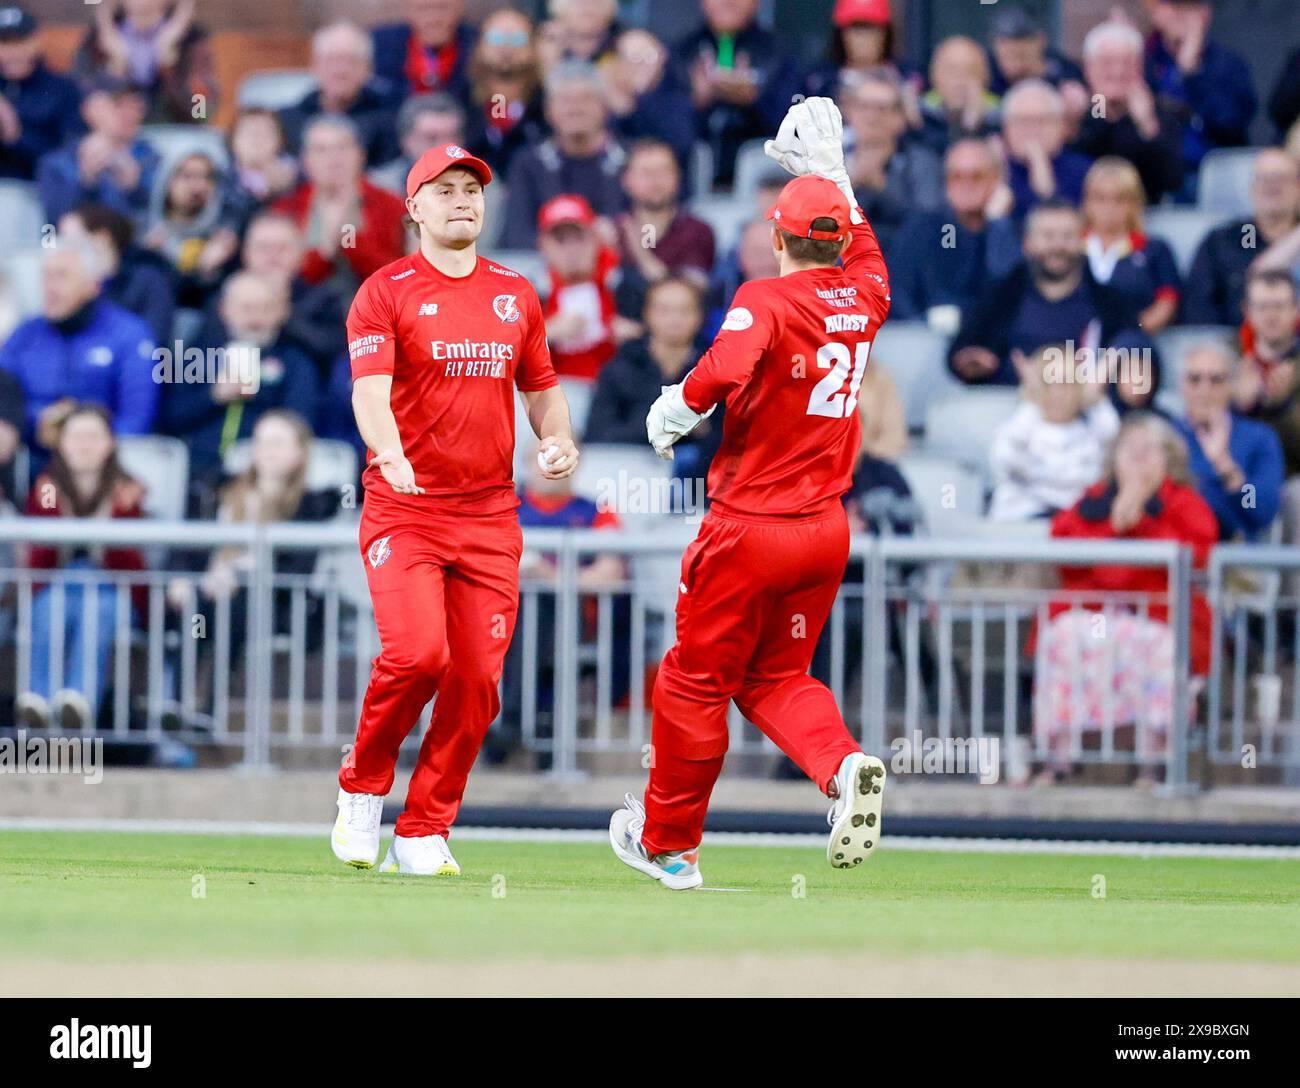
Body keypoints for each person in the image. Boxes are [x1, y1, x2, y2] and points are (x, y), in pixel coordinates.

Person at [609, 98, 890, 890]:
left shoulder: (766, 299)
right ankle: (841, 769)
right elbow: (865, 257)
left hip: (751, 526)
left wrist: (675, 406)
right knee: (776, 677)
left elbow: (726, 371)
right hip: (826, 529)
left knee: (692, 681)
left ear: (776, 238)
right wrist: (837, 178)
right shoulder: (864, 299)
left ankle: (669, 843)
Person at [332, 142, 578, 877]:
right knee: (417, 656)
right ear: (413, 210)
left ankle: (424, 830)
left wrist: (558, 439)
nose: (461, 200)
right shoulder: (384, 290)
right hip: (405, 508)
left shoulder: (516, 290)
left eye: (471, 188)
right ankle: (362, 788)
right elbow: (369, 390)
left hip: (490, 515)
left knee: (476, 682)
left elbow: (539, 386)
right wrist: (390, 451)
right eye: (442, 190)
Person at [1036, 412, 1216, 784]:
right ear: (1112, 459)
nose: (1137, 459)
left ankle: (1155, 763)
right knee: (1063, 634)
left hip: (1158, 617)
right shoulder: (1093, 501)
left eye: (1149, 451)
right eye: (1128, 450)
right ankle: (1058, 760)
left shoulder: (1184, 502)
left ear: (1169, 460)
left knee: (1159, 645)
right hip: (1094, 613)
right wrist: (1112, 528)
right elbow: (1064, 553)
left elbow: (1195, 554)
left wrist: (1140, 522)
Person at [18, 404, 145, 730]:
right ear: (61, 443)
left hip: (111, 590)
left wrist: (117, 510)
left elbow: (128, 562)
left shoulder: (129, 489)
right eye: (76, 436)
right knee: (49, 606)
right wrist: (57, 508)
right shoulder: (47, 487)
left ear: (110, 443)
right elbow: (41, 554)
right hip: (58, 585)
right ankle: (39, 700)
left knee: (97, 609)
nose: (84, 445)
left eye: (93, 436)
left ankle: (79, 701)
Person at [949, 200, 1140, 386]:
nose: (1057, 246)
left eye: (1067, 236)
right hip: (1008, 403)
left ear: (1083, 241)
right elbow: (962, 351)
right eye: (1048, 236)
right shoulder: (999, 297)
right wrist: (974, 365)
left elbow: (1137, 354)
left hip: (1086, 406)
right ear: (1027, 243)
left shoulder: (1109, 302)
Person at [160, 271, 320, 484]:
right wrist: (213, 396)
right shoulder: (195, 357)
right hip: (195, 475)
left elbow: (301, 423)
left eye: (266, 308)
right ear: (224, 310)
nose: (255, 318)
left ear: (281, 312)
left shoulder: (296, 362)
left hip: (263, 477)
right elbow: (169, 418)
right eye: (246, 308)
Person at [0, 241, 158, 445]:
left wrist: (80, 436)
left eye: (62, 276)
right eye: (46, 277)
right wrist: (39, 418)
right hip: (33, 453)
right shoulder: (25, 333)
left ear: (93, 285)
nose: (50, 288)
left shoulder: (129, 334)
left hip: (107, 459)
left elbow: (137, 419)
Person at [586, 276, 721, 482]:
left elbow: (736, 437)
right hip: (630, 473)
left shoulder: (717, 369)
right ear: (647, 314)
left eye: (685, 310)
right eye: (664, 310)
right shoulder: (620, 366)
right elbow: (598, 432)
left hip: (701, 477)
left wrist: (704, 431)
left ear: (700, 316)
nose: (674, 319)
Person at [888, 137, 1019, 327]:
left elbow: (1004, 291)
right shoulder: (923, 228)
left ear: (996, 180)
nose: (966, 184)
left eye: (977, 176)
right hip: (925, 340)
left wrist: (997, 225)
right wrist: (922, 326)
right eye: (956, 176)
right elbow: (898, 291)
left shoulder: (1006, 229)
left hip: (986, 344)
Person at [273, 116, 407, 294]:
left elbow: (399, 276)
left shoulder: (390, 205)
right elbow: (287, 278)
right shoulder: (286, 209)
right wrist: (326, 249)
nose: (333, 158)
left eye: (342, 148)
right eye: (321, 150)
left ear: (360, 154)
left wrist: (347, 234)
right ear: (306, 160)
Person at [500, 59, 626, 249]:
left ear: (604, 108)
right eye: (565, 100)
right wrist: (571, 245)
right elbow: (515, 235)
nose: (575, 109)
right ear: (548, 110)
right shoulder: (528, 163)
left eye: (586, 99)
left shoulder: (631, 160)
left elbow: (651, 232)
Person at [988, 344, 1120, 522]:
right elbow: (1006, 459)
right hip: (1023, 526)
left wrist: (1095, 402)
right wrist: (1032, 400)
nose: (1058, 393)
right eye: (1049, 383)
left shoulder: (1094, 433)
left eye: (1066, 383)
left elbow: (1114, 445)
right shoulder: (1020, 427)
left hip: (1077, 528)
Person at [678, 0, 802, 187]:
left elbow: (796, 129)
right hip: (689, 187)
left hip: (764, 189)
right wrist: (696, 101)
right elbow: (661, 127)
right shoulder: (682, 53)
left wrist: (753, 100)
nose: (728, 2)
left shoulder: (778, 54)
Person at [1174, 341, 1282, 541]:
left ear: (1231, 386)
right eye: (1194, 379)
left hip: (1233, 557)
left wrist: (1226, 467)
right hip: (1175, 552)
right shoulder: (1165, 435)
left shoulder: (1259, 438)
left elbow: (1261, 510)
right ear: (1181, 386)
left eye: (1216, 380)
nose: (1204, 389)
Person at [1069, 21, 1184, 205]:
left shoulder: (1161, 112)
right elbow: (1085, 155)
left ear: (1139, 68)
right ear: (1088, 67)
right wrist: (1101, 107)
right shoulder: (1076, 110)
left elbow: (1171, 179)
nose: (1118, 71)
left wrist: (1146, 123)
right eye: (1107, 63)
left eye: (1126, 62)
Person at [1183, 149, 1300, 327]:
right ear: (1252, 189)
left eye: (1281, 178)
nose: (1272, 186)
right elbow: (1199, 306)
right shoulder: (1223, 240)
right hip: (1232, 345)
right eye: (1264, 178)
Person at [1143, 0, 1255, 177]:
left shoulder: (1228, 64)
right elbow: (1097, 114)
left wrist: (1192, 75)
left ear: (1205, 13)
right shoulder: (1142, 61)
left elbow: (1230, 122)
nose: (1179, 14)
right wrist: (1102, 103)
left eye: (1189, 7)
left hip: (1215, 170)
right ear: (1155, 12)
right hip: (1155, 175)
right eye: (1172, 6)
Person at [843, 68, 943, 253]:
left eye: (881, 109)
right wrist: (851, 186)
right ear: (850, 112)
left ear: (900, 119)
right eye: (863, 106)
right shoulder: (830, 158)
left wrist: (882, 189)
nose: (871, 117)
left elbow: (930, 227)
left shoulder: (922, 163)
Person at [613, 138, 715, 320]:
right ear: (626, 179)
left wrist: (640, 252)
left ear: (678, 176)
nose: (656, 180)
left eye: (664, 171)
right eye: (646, 173)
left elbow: (688, 292)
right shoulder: (611, 230)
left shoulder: (697, 231)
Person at [74, 0, 216, 126]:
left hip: (176, 140)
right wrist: (116, 69)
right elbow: (79, 102)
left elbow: (202, 113)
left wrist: (168, 66)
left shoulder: (192, 41)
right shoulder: (96, 42)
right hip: (118, 140)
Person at [36, 77, 157, 224]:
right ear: (88, 110)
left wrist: (135, 188)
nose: (130, 114)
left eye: (136, 106)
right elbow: (53, 225)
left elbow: (166, 216)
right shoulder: (56, 165)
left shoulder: (151, 159)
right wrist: (86, 183)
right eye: (118, 104)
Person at [1081, 157, 1181, 335]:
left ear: (1134, 203)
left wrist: (1133, 331)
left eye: (1119, 199)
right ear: (1087, 201)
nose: (1109, 207)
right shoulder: (1070, 248)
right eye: (1100, 198)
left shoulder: (1155, 250)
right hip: (1071, 346)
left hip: (1132, 347)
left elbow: (1167, 304)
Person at [278, 22, 396, 167]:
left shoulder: (390, 122)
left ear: (368, 68)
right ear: (315, 65)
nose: (340, 70)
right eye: (332, 60)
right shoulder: (286, 122)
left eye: (351, 61)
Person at [58, 203, 176, 346]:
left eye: (70, 243)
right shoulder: (67, 286)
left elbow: (153, 344)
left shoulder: (150, 280)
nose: (61, 252)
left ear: (101, 239)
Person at [536, 194, 625, 381]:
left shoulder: (623, 285)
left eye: (579, 238)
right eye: (561, 241)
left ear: (595, 240)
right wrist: (545, 334)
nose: (571, 250)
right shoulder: (529, 294)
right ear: (543, 246)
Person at [140, 148, 238, 306]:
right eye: (187, 176)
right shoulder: (143, 226)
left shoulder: (224, 235)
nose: (198, 185)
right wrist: (147, 255)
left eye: (207, 177)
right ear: (166, 179)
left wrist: (208, 271)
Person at [0, 5, 84, 181]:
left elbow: (70, 157)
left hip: (36, 189)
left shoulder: (62, 88)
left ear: (36, 41)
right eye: (5, 43)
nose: (13, 51)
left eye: (20, 41)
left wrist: (14, 134)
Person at [462, 6, 545, 177]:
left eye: (517, 39)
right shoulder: (461, 102)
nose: (506, 47)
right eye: (496, 38)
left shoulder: (548, 106)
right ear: (480, 46)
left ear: (533, 47)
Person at [601, 29, 695, 171]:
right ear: (617, 63)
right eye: (633, 57)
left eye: (650, 56)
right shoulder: (603, 99)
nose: (642, 64)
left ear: (662, 59)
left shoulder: (676, 97)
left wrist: (640, 99)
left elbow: (680, 147)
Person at [999, 79, 1092, 217]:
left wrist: (1045, 185)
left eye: (1042, 121)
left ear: (1061, 126)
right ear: (1006, 127)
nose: (1032, 129)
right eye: (1023, 121)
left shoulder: (1084, 172)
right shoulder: (993, 169)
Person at [372, 0, 477, 110]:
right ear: (408, 11)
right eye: (423, 9)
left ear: (460, 9)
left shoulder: (477, 41)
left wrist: (496, 33)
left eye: (442, 8)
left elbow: (495, 39)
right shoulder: (380, 43)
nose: (434, 19)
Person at [369, 93, 465, 198]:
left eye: (451, 138)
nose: (443, 148)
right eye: (431, 138)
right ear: (406, 141)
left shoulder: (481, 188)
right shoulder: (380, 187)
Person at [916, 35, 1000, 155]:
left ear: (985, 77)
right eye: (951, 71)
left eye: (970, 71)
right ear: (934, 76)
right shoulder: (921, 115)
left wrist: (976, 126)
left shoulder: (1001, 117)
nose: (960, 80)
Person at [986, 7, 1084, 97]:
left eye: (1022, 56)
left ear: (1041, 42)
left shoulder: (1064, 74)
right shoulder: (986, 72)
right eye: (1008, 57)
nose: (1016, 65)